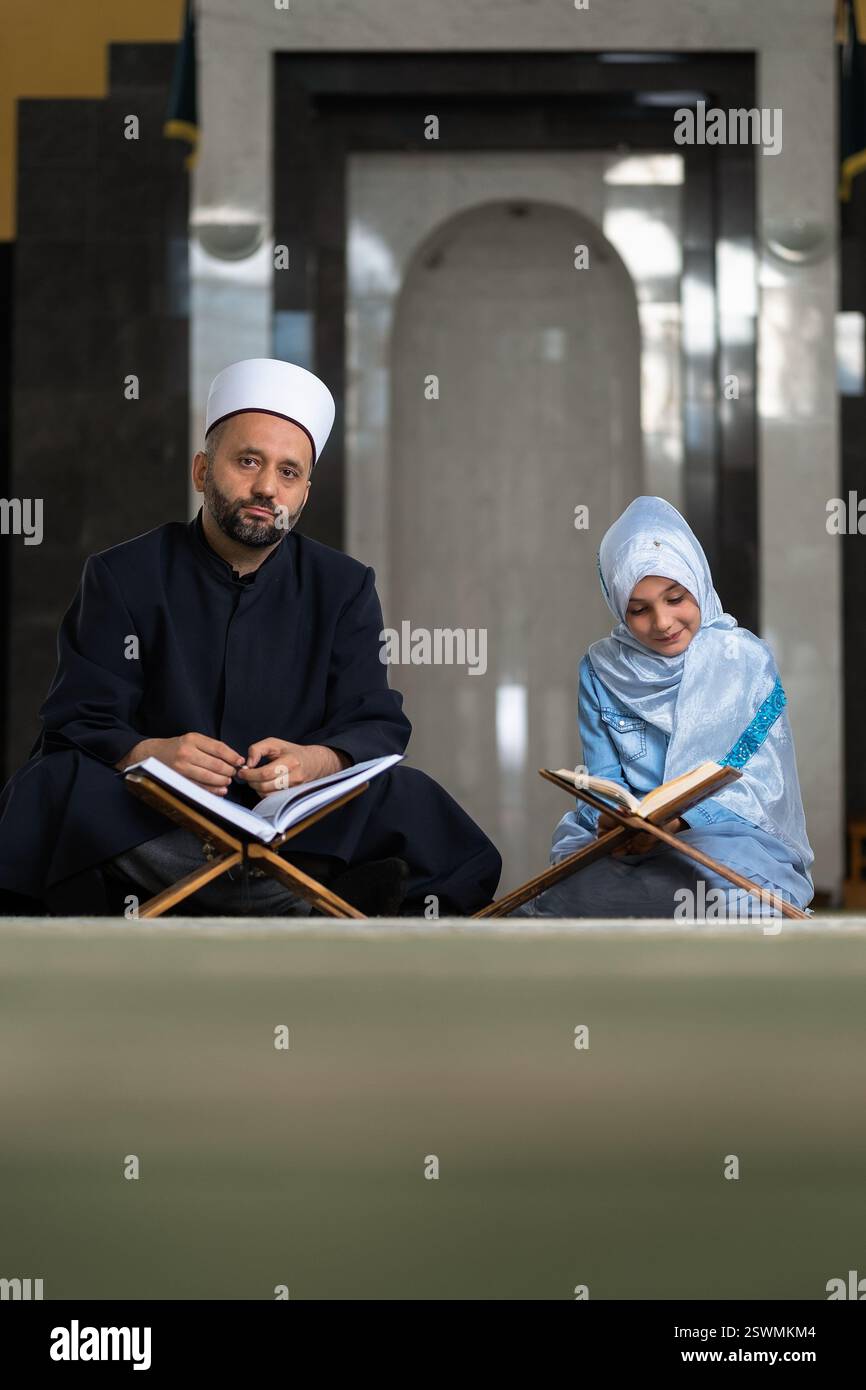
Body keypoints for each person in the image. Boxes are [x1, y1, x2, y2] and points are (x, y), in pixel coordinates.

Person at [0, 358, 501, 917]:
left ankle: (227, 892)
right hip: (156, 818)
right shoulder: (123, 575)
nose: (266, 488)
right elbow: (79, 715)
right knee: (52, 785)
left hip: (296, 822)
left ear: (305, 494)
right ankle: (295, 898)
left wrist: (316, 761)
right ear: (201, 471)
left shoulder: (343, 587)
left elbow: (375, 720)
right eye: (248, 462)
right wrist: (152, 754)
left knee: (412, 800)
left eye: (289, 473)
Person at [514, 495, 814, 919]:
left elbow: (760, 782)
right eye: (639, 610)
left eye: (676, 599)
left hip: (726, 833)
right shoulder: (601, 668)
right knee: (575, 884)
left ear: (697, 582)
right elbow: (602, 778)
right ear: (619, 606)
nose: (662, 623)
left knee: (737, 893)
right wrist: (616, 822)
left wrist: (678, 823)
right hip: (629, 840)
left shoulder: (743, 658)